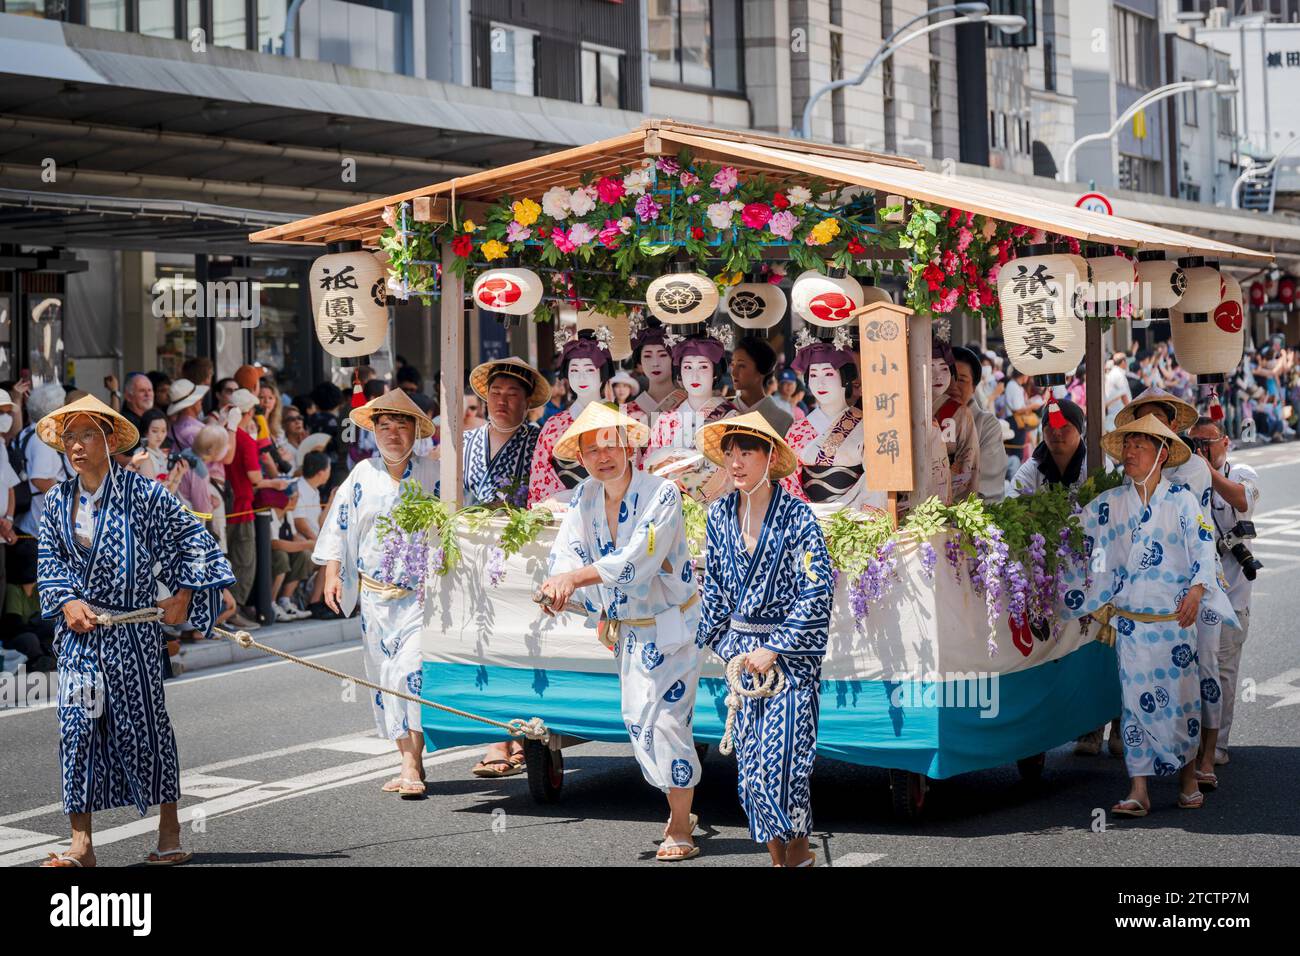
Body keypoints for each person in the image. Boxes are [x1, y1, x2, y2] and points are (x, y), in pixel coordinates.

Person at [34, 394, 233, 867]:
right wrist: (66, 600)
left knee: (148, 728)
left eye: (86, 435)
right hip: (80, 637)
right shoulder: (56, 501)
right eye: (69, 437)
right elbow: (50, 562)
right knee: (76, 727)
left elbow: (194, 537)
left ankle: (169, 833)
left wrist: (184, 594)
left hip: (135, 632)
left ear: (108, 440)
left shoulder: (145, 494)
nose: (76, 446)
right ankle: (81, 845)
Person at [537, 402, 703, 861]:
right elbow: (566, 553)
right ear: (582, 458)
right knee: (637, 720)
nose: (602, 456)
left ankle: (678, 824)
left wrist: (576, 579)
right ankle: (680, 804)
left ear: (628, 445)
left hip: (671, 624)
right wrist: (557, 586)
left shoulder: (662, 493)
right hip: (629, 629)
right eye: (591, 450)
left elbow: (637, 560)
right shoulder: (585, 496)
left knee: (669, 723)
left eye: (610, 445)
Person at [1058, 415, 1236, 817]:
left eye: (1140, 445)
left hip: (1175, 624)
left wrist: (1196, 589)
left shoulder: (1182, 501)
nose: (1131, 452)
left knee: (1181, 703)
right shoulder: (1110, 505)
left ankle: (1188, 779)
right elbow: (1074, 535)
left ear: (1160, 455)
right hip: (1132, 625)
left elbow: (1203, 546)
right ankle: (1138, 789)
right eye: (1128, 445)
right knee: (1135, 707)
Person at [695, 412, 833, 867]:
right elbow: (712, 587)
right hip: (742, 659)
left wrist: (775, 646)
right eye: (730, 453)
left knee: (783, 766)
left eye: (747, 452)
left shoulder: (797, 517)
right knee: (752, 772)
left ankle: (796, 853)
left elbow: (818, 586)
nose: (736, 462)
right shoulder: (718, 514)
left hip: (788, 661)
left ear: (769, 457)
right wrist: (725, 645)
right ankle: (786, 858)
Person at [314, 389, 440, 798]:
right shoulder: (361, 474)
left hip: (421, 597)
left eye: (400, 424)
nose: (392, 433)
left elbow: (458, 524)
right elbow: (339, 526)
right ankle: (408, 757)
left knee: (410, 672)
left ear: (415, 431)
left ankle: (410, 764)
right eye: (383, 425)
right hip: (374, 596)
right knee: (385, 679)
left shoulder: (434, 475)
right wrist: (332, 573)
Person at [1187, 416, 1261, 776]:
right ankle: (1194, 742)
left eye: (1207, 442)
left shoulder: (1242, 470)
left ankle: (1218, 745)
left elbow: (1243, 499)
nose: (1201, 449)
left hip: (1234, 593)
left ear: (1226, 441)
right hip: (1198, 592)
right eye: (1194, 444)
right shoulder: (1185, 477)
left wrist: (1207, 471)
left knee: (1225, 670)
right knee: (1197, 668)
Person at [226, 388, 289, 628]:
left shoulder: (226, 435)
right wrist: (276, 482)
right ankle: (234, 610)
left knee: (231, 557)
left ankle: (233, 608)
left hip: (228, 505)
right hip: (242, 504)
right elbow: (254, 477)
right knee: (244, 560)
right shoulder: (244, 439)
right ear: (249, 412)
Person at [462, 358, 546, 511]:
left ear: (527, 403)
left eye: (512, 395)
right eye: (495, 392)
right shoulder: (465, 442)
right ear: (486, 397)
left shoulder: (540, 443)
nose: (502, 401)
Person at [951, 347, 1007, 502]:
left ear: (974, 387)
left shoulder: (987, 424)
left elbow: (987, 482)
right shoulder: (928, 421)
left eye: (961, 379)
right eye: (948, 376)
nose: (953, 385)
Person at [1008, 399, 1087, 497]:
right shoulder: (1033, 467)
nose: (1056, 432)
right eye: (1050, 425)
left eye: (1064, 426)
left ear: (1080, 431)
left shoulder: (1095, 464)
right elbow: (1013, 498)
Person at [730, 337, 777, 413]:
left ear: (761, 368)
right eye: (732, 365)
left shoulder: (783, 419)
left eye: (741, 365)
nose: (733, 373)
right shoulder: (720, 415)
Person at [166, 378, 208, 452]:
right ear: (192, 404)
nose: (201, 400)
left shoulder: (172, 427)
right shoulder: (195, 430)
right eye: (199, 399)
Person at [1104, 352, 1132, 431]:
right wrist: (1130, 411)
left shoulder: (1115, 373)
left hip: (1116, 414)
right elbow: (1123, 395)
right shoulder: (1118, 374)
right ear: (1123, 362)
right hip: (1117, 414)